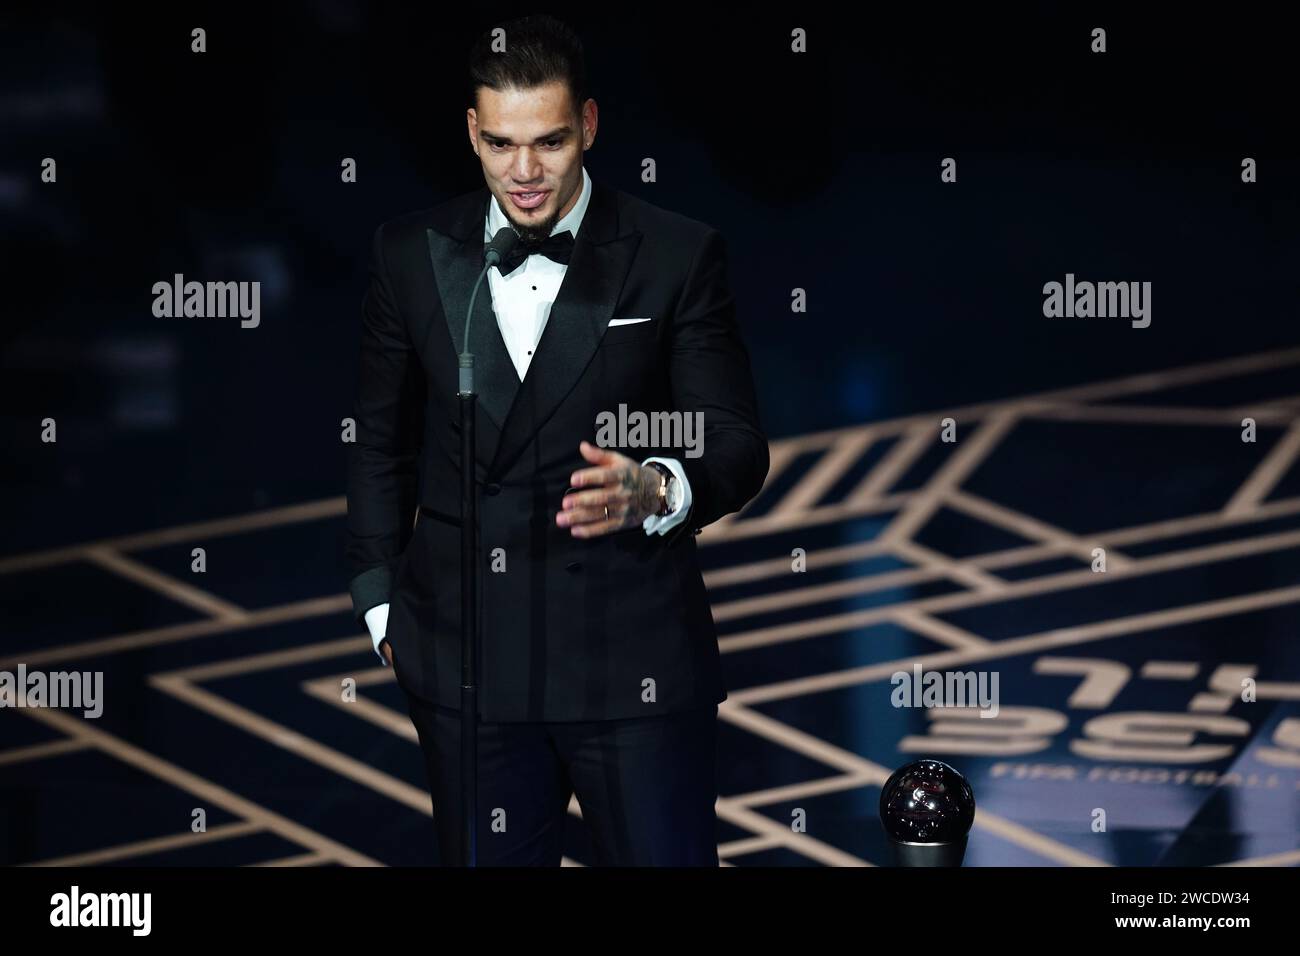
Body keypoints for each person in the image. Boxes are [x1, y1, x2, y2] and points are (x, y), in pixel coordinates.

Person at [344, 14, 768, 866]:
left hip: (632, 663)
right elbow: (378, 441)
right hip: (467, 670)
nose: (526, 172)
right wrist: (380, 596)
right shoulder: (410, 255)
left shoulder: (676, 255)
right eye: (500, 144)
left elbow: (734, 442)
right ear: (471, 130)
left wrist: (658, 487)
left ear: (591, 126)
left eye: (549, 141)